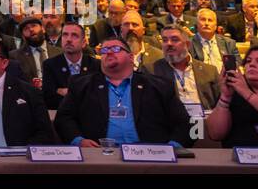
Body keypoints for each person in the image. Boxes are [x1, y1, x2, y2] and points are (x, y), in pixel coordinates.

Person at [54, 36, 191, 147]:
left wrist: (173, 147)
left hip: (149, 157)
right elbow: (63, 119)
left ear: (131, 57)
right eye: (104, 50)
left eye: (115, 48)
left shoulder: (159, 86)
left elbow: (185, 123)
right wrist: (79, 141)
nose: (108, 52)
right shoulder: (81, 85)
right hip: (98, 156)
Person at [152, 25, 221, 111]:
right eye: (165, 40)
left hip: (204, 121)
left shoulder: (210, 71)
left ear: (187, 44)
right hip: (172, 122)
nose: (169, 43)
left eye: (174, 39)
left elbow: (220, 104)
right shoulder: (152, 70)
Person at [41, 21, 101, 110]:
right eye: (65, 35)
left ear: (84, 42)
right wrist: (84, 93)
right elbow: (49, 99)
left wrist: (66, 92)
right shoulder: (50, 65)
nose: (68, 39)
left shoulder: (95, 64)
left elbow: (99, 96)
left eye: (74, 35)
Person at [10, 16, 58, 87]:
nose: (31, 29)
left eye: (34, 26)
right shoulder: (15, 56)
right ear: (23, 35)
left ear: (43, 29)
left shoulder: (59, 52)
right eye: (26, 28)